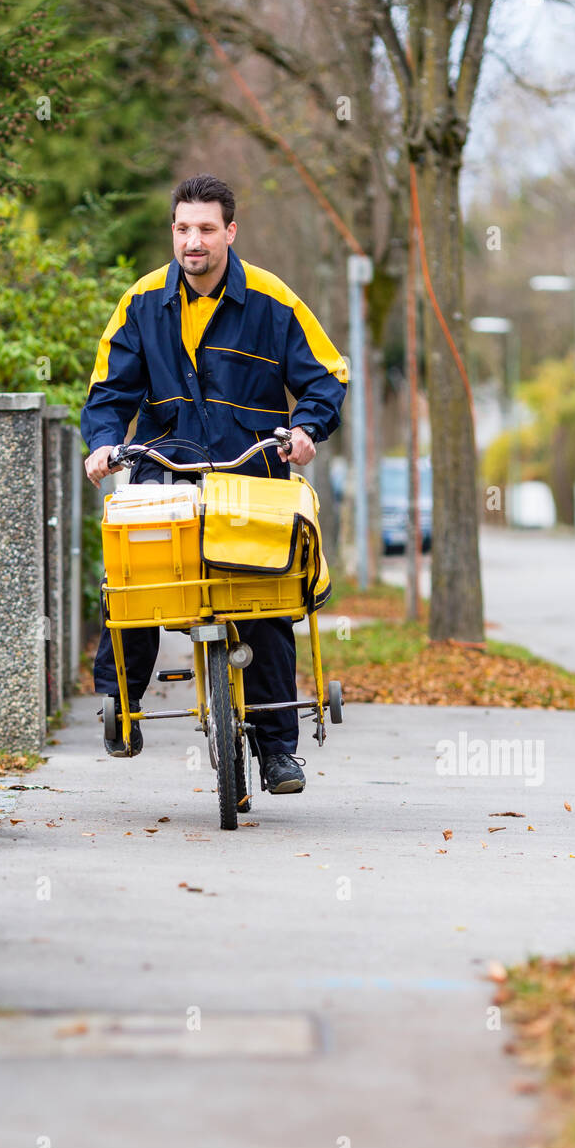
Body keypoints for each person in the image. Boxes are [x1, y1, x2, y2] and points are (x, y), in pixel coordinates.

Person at [81, 173, 348, 795]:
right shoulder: (143, 301)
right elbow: (108, 390)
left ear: (230, 230)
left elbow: (327, 375)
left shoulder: (273, 300)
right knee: (134, 574)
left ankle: (279, 749)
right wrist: (102, 444)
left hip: (250, 471)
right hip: (165, 465)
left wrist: (307, 429)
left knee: (268, 604)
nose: (192, 241)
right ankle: (120, 704)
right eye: (182, 229)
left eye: (205, 228)